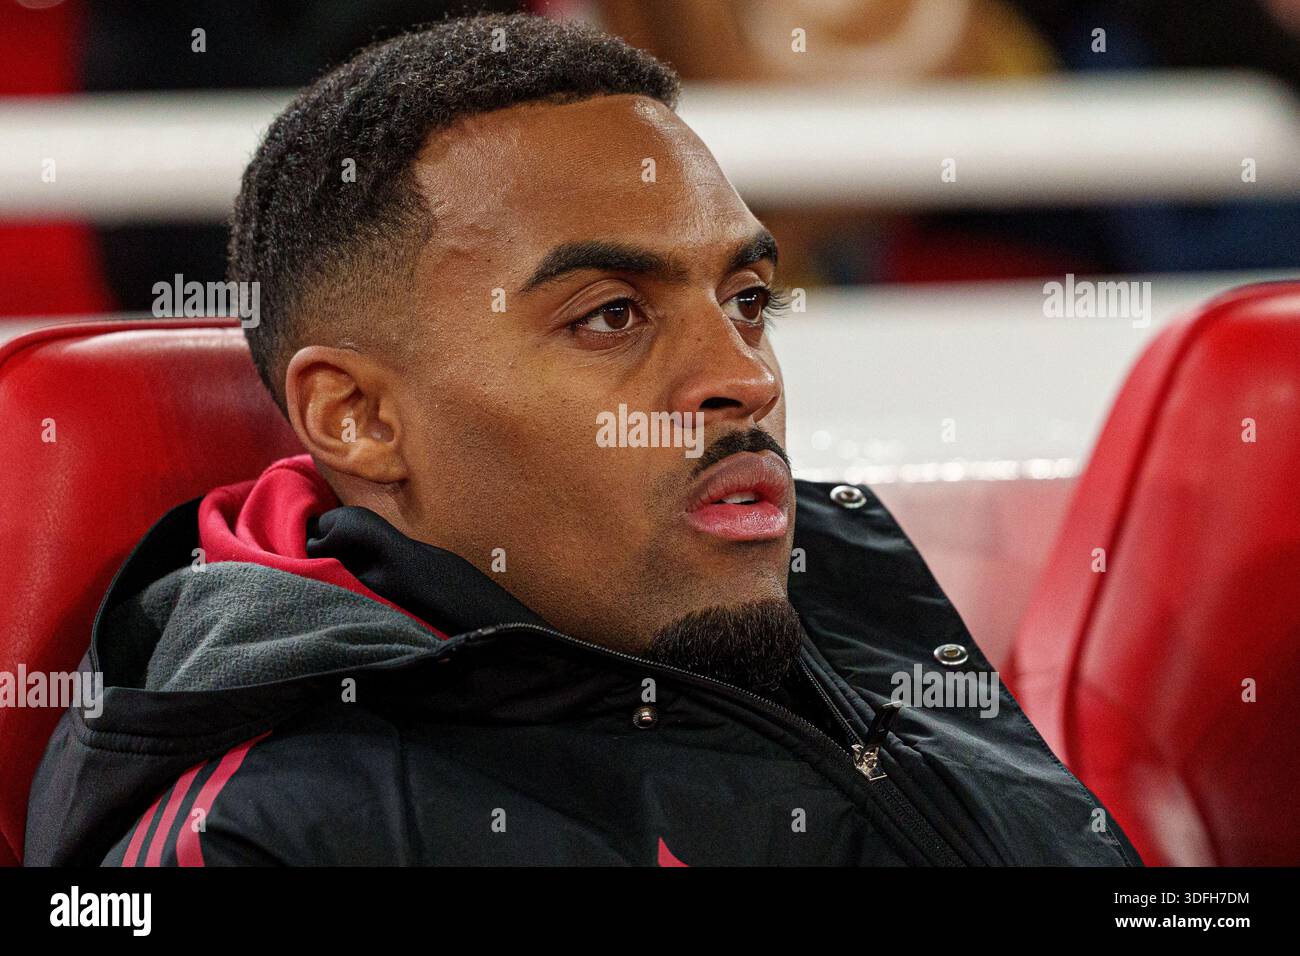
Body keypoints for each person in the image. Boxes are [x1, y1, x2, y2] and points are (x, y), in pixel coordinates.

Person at [26, 13, 1140, 866]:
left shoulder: (830, 581)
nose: (743, 376)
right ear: (358, 417)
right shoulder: (277, 832)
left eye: (747, 298)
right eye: (609, 314)